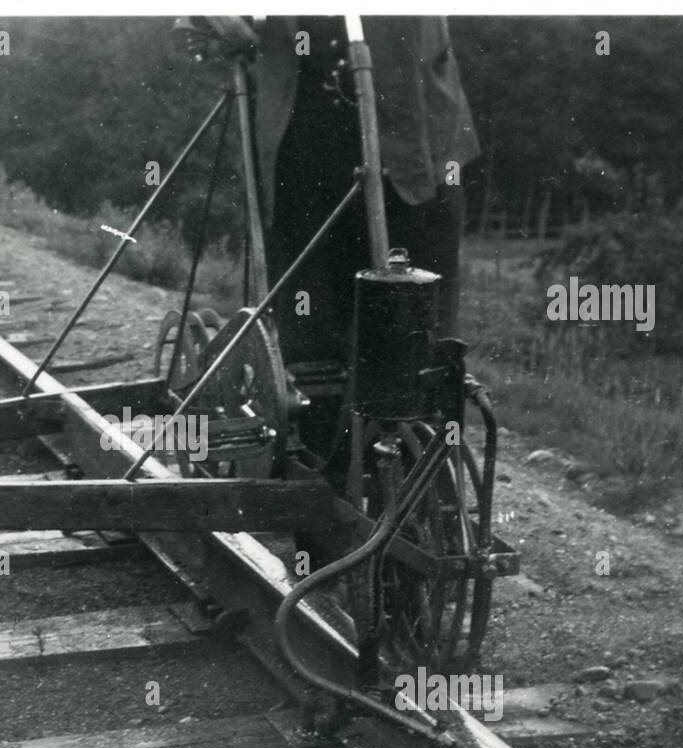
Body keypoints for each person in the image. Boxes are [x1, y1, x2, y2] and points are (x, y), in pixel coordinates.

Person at [178, 15, 480, 463]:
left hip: (417, 137)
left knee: (419, 345)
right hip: (303, 139)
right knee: (311, 341)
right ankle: (320, 498)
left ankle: (422, 506)